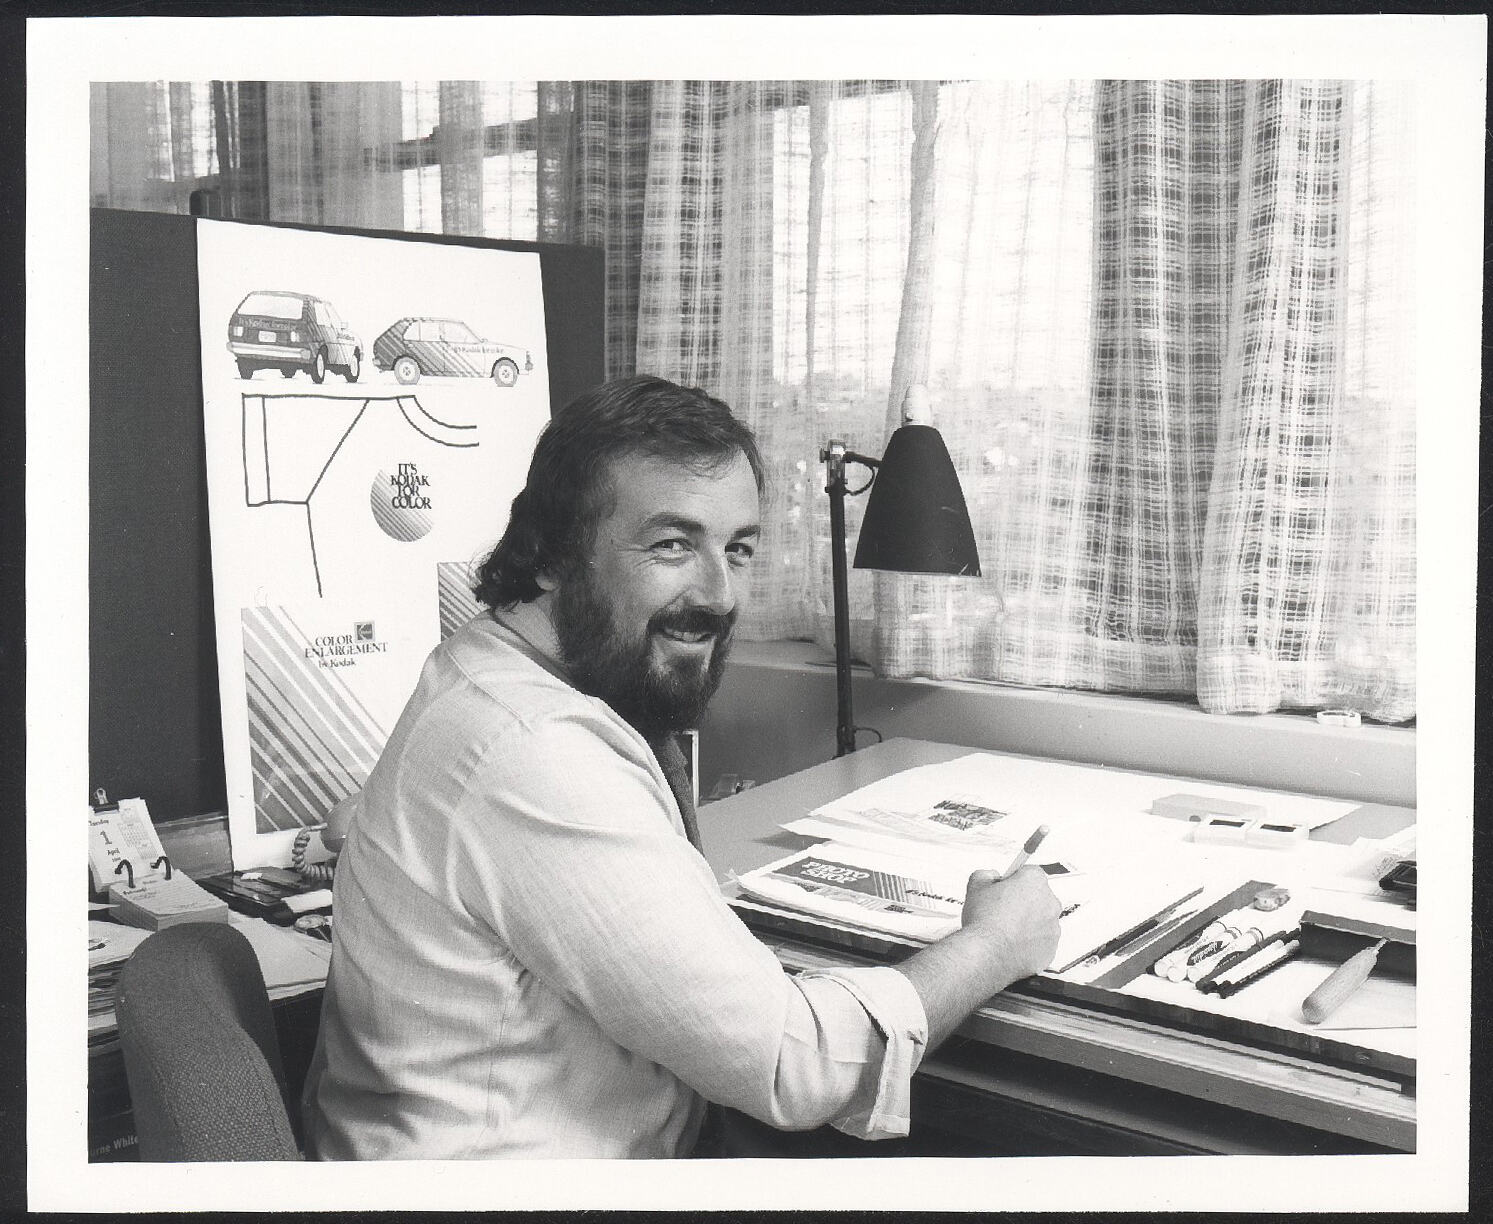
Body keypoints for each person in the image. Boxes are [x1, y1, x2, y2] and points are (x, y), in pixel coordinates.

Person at [301, 375, 1061, 1159]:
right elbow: (795, 1066)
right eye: (670, 545)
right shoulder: (534, 747)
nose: (720, 593)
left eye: (736, 548)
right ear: (556, 552)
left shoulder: (484, 664)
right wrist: (998, 943)